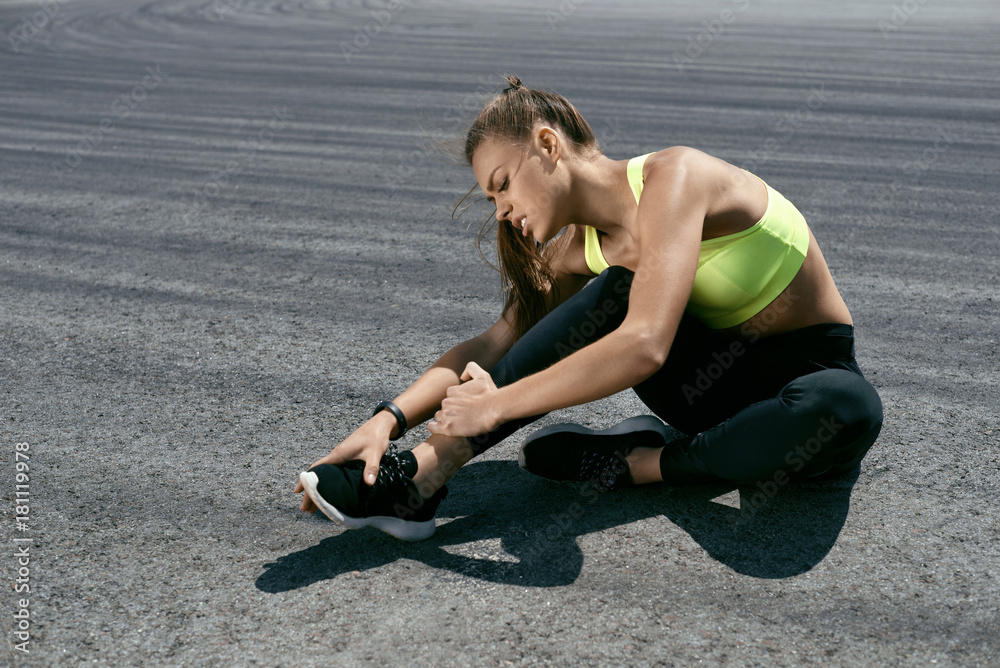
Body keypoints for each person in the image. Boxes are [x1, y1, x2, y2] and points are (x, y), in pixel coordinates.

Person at [294, 75, 884, 542]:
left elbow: (647, 342)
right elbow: (495, 344)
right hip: (704, 391)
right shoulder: (579, 251)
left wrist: (497, 404)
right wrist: (388, 418)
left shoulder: (677, 177)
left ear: (548, 143)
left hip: (804, 379)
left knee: (846, 407)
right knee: (618, 291)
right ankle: (422, 477)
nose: (500, 209)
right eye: (491, 196)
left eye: (502, 183)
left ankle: (636, 463)